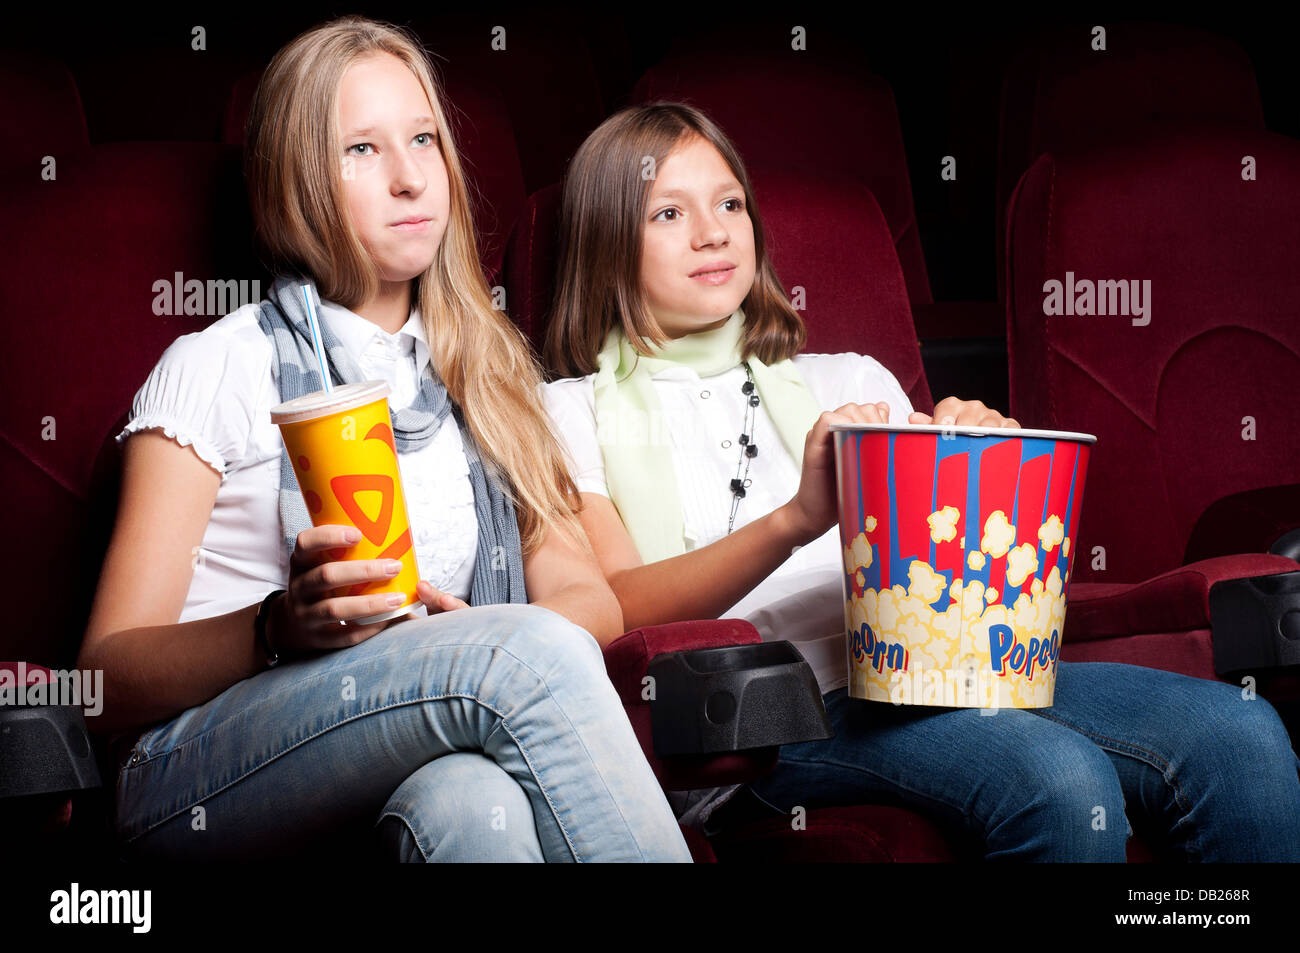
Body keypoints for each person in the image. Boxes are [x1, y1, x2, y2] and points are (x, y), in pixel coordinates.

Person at [539, 101, 1300, 860]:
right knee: (1055, 779)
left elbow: (953, 581)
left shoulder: (850, 376)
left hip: (939, 671)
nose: (712, 232)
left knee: (1243, 737)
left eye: (729, 202)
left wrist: (985, 468)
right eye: (668, 212)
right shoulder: (563, 411)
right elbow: (617, 611)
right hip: (764, 722)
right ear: (607, 242)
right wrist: (796, 519)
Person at [77, 18, 692, 864]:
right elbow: (102, 678)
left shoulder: (488, 369)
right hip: (193, 769)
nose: (410, 179)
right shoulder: (220, 363)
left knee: (474, 806)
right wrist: (276, 628)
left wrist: (472, 639)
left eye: (424, 140)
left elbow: (588, 602)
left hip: (413, 728)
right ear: (297, 181)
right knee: (521, 658)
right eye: (361, 150)